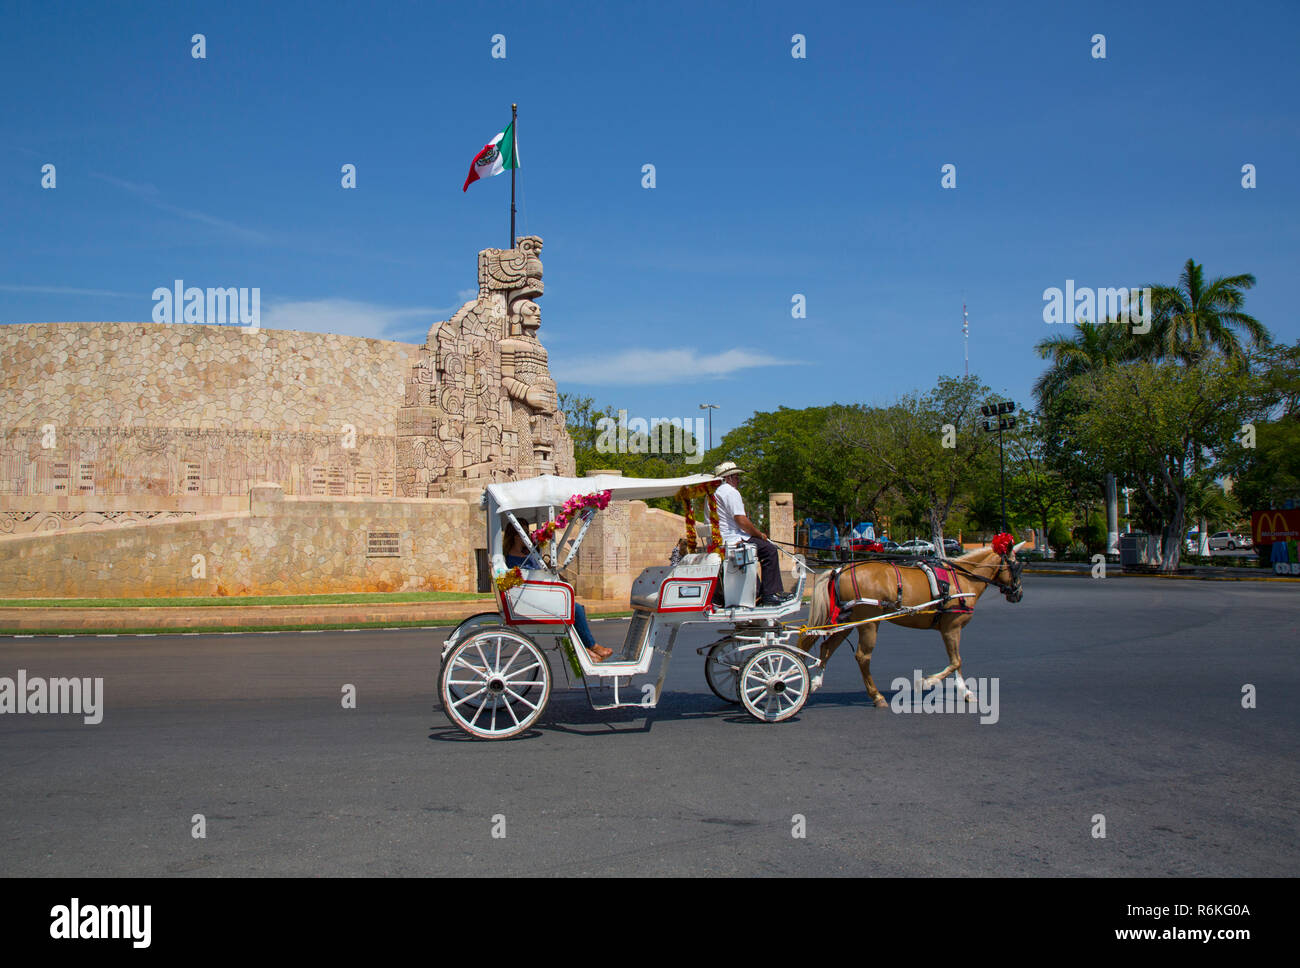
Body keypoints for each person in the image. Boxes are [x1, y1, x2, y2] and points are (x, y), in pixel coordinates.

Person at [503, 526, 613, 663]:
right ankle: (592, 646)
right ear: (516, 536)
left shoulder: (524, 555)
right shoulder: (515, 558)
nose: (529, 535)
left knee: (574, 608)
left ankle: (586, 649)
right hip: (532, 599)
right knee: (575, 609)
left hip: (533, 595)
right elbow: (529, 577)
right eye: (525, 532)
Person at [712, 461, 795, 606]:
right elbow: (741, 520)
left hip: (723, 539)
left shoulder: (715, 493)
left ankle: (762, 592)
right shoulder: (730, 492)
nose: (738, 480)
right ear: (728, 477)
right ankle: (770, 594)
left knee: (764, 548)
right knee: (769, 550)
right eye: (737, 476)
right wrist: (758, 534)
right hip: (734, 539)